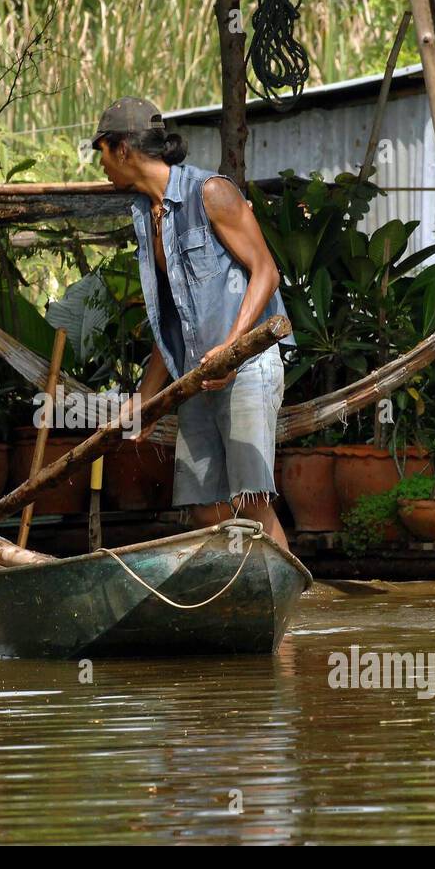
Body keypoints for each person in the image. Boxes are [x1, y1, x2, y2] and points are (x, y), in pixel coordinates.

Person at [92, 97, 292, 548]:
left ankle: (287, 607)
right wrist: (143, 402)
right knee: (205, 507)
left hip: (246, 371)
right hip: (196, 379)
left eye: (101, 150)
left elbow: (265, 271)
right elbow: (173, 323)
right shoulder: (148, 217)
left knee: (252, 500)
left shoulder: (211, 192)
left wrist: (231, 350)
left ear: (123, 149)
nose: (101, 164)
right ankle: (237, 598)